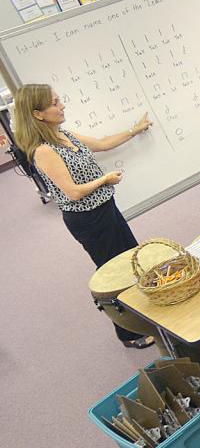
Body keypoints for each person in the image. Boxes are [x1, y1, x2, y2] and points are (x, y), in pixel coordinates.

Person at [12, 83, 155, 349]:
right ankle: (127, 334)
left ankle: (142, 315)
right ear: (38, 114)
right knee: (112, 271)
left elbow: (102, 144)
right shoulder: (43, 150)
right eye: (55, 103)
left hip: (106, 207)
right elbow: (73, 192)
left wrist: (136, 129)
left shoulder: (64, 135)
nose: (62, 105)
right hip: (88, 219)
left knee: (130, 259)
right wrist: (105, 179)